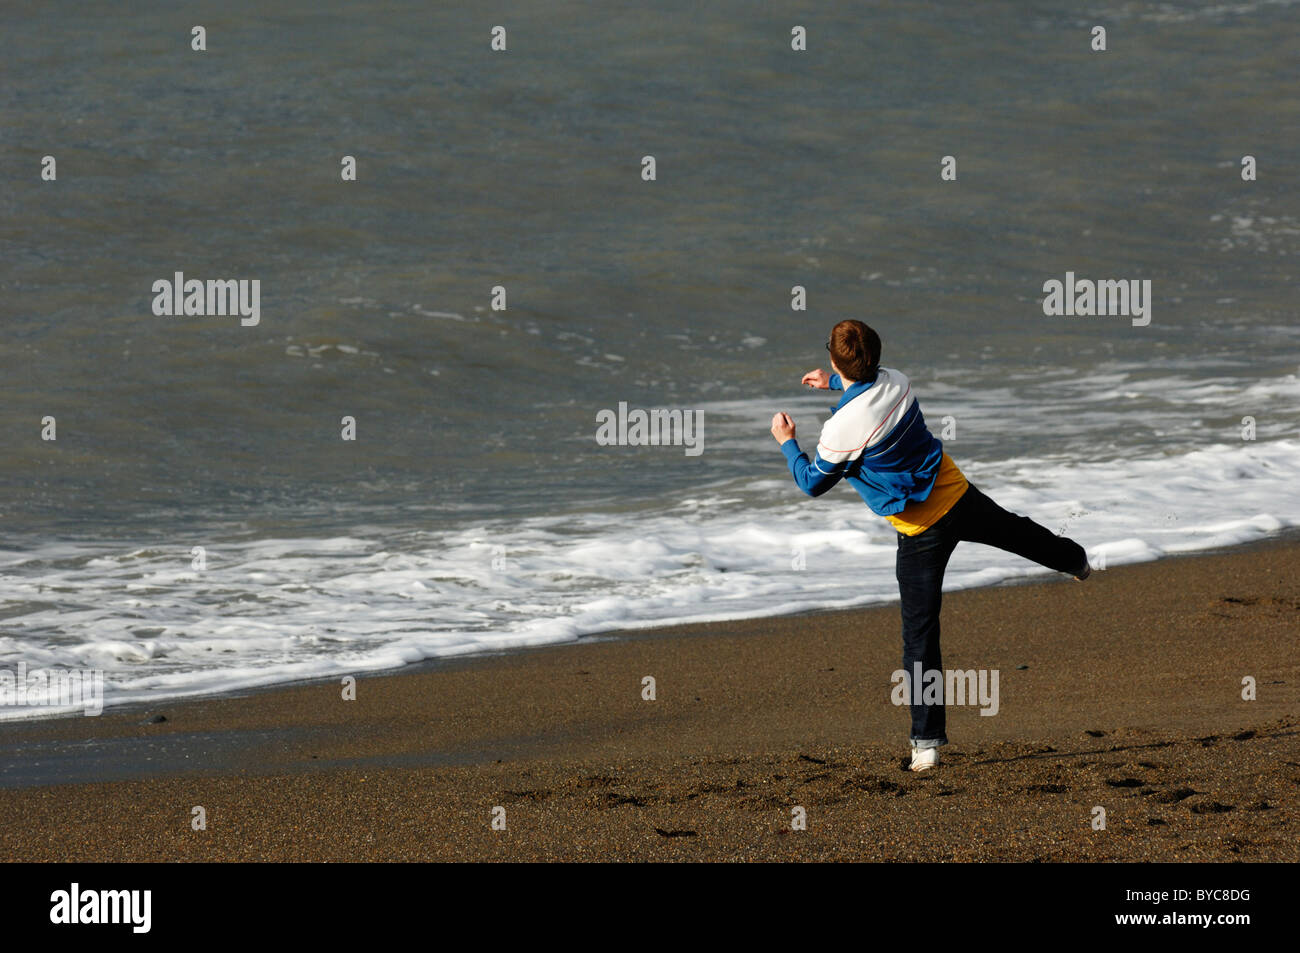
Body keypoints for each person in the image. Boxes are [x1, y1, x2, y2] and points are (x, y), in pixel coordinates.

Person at [769, 320, 1091, 771]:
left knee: (920, 636)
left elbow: (811, 483)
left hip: (919, 530)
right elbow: (866, 388)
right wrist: (836, 382)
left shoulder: (841, 430)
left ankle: (926, 745)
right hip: (957, 494)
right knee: (1018, 533)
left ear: (833, 358)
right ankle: (1075, 560)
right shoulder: (897, 381)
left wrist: (788, 444)